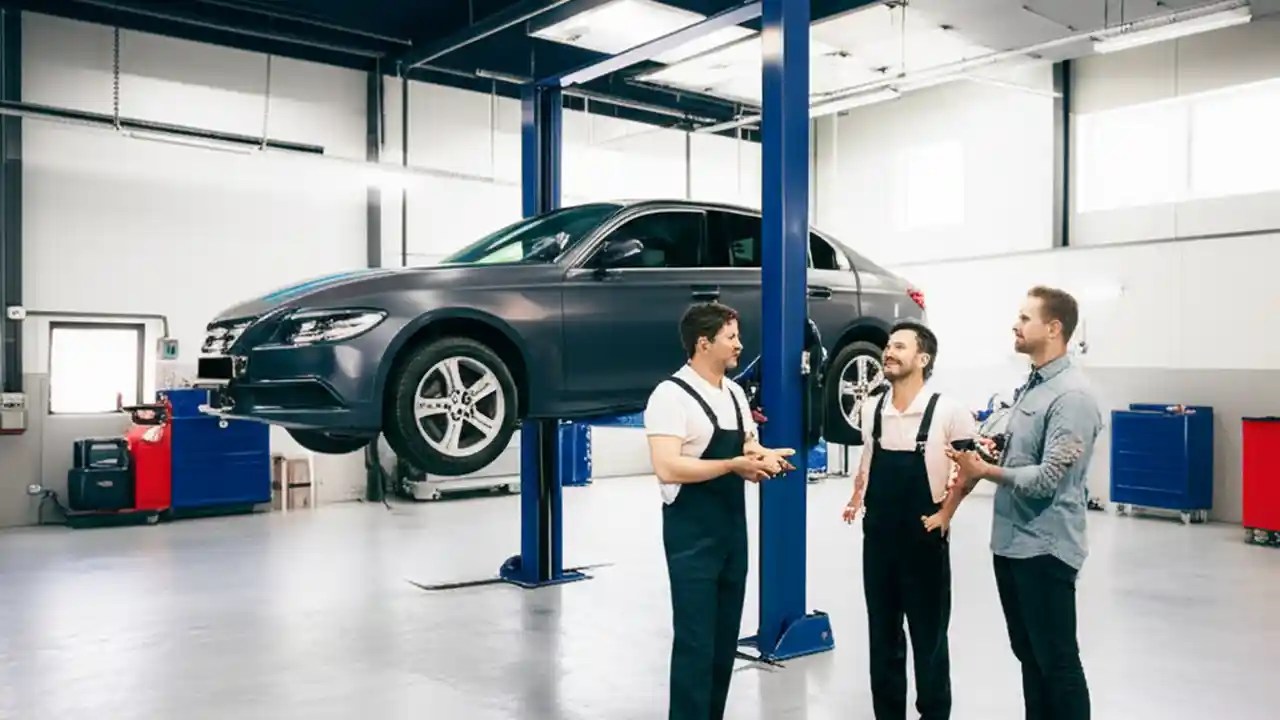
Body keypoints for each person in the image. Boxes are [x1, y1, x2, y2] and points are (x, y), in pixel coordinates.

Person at [946, 285, 1101, 720]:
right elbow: (1025, 453)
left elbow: (1050, 478)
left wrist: (985, 471)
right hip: (1012, 543)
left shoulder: (1072, 396)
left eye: (1025, 318)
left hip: (1046, 548)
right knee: (1029, 656)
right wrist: (995, 448)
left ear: (1053, 329)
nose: (1015, 325)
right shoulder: (1031, 387)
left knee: (1058, 663)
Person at [643, 301, 796, 720]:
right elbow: (667, 465)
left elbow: (744, 443)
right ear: (703, 342)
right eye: (731, 337)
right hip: (691, 536)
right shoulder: (669, 396)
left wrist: (762, 455)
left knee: (724, 639)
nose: (739, 345)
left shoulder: (733, 393)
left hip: (732, 531)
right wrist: (731, 466)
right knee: (696, 642)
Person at [842, 319, 978, 720]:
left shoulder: (948, 411)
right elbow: (868, 457)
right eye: (888, 346)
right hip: (879, 536)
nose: (889, 352)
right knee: (882, 637)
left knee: (929, 638)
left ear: (923, 358)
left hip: (924, 536)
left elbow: (970, 469)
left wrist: (946, 513)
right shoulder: (872, 408)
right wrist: (857, 495)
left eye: (899, 347)